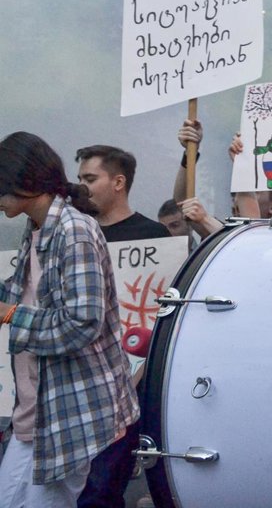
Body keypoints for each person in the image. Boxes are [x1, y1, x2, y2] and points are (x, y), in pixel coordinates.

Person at [0, 132, 138, 507]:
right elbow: (21, 294)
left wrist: (11, 315)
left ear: (24, 183)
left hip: (68, 411)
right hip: (37, 410)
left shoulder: (74, 230)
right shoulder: (37, 227)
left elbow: (82, 323)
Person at [73, 145, 169, 508]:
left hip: (124, 387)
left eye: (90, 178)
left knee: (100, 489)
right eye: (80, 178)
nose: (82, 186)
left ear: (118, 182)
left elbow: (160, 317)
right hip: (76, 381)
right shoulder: (77, 233)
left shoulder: (155, 235)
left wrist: (139, 373)